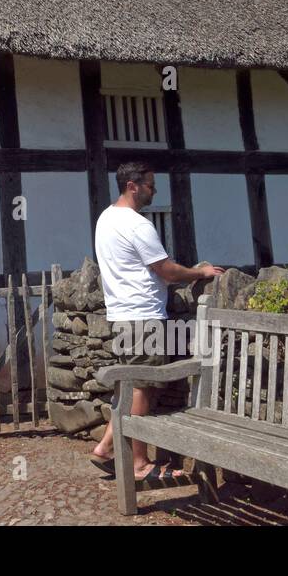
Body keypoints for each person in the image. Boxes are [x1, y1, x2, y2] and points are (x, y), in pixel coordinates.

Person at [89, 162, 223, 482]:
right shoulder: (137, 225)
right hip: (143, 316)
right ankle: (139, 463)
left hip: (121, 315)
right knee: (143, 390)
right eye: (150, 185)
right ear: (133, 186)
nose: (155, 190)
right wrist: (200, 273)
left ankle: (105, 448)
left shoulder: (105, 218)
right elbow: (165, 270)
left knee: (131, 384)